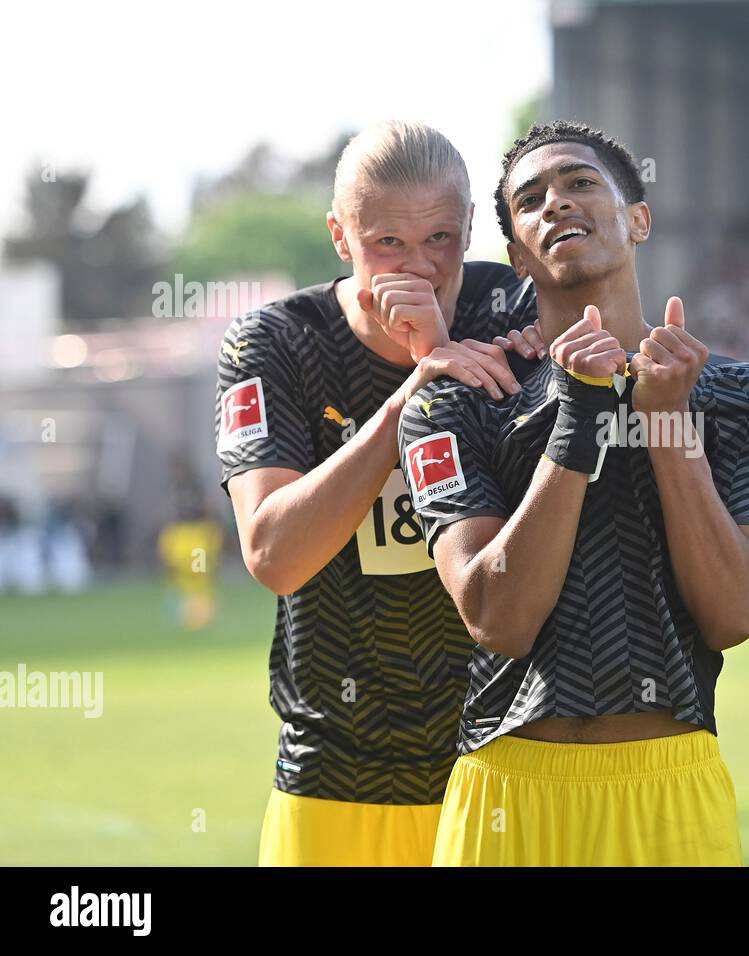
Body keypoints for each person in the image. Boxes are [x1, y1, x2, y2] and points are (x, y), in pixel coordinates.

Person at [398, 121, 749, 866]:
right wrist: (579, 419)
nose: (556, 202)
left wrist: (668, 424)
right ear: (517, 256)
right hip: (506, 789)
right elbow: (498, 617)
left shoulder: (748, 398)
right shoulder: (461, 400)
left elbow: (733, 612)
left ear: (638, 218)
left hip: (668, 789)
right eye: (531, 200)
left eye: (581, 183)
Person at [216, 120, 544, 866]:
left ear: (469, 229)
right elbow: (273, 554)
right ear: (340, 236)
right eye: (386, 243)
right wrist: (411, 399)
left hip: (498, 768)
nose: (421, 269)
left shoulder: (516, 312)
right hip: (335, 772)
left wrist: (553, 362)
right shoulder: (276, 341)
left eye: (440, 239)